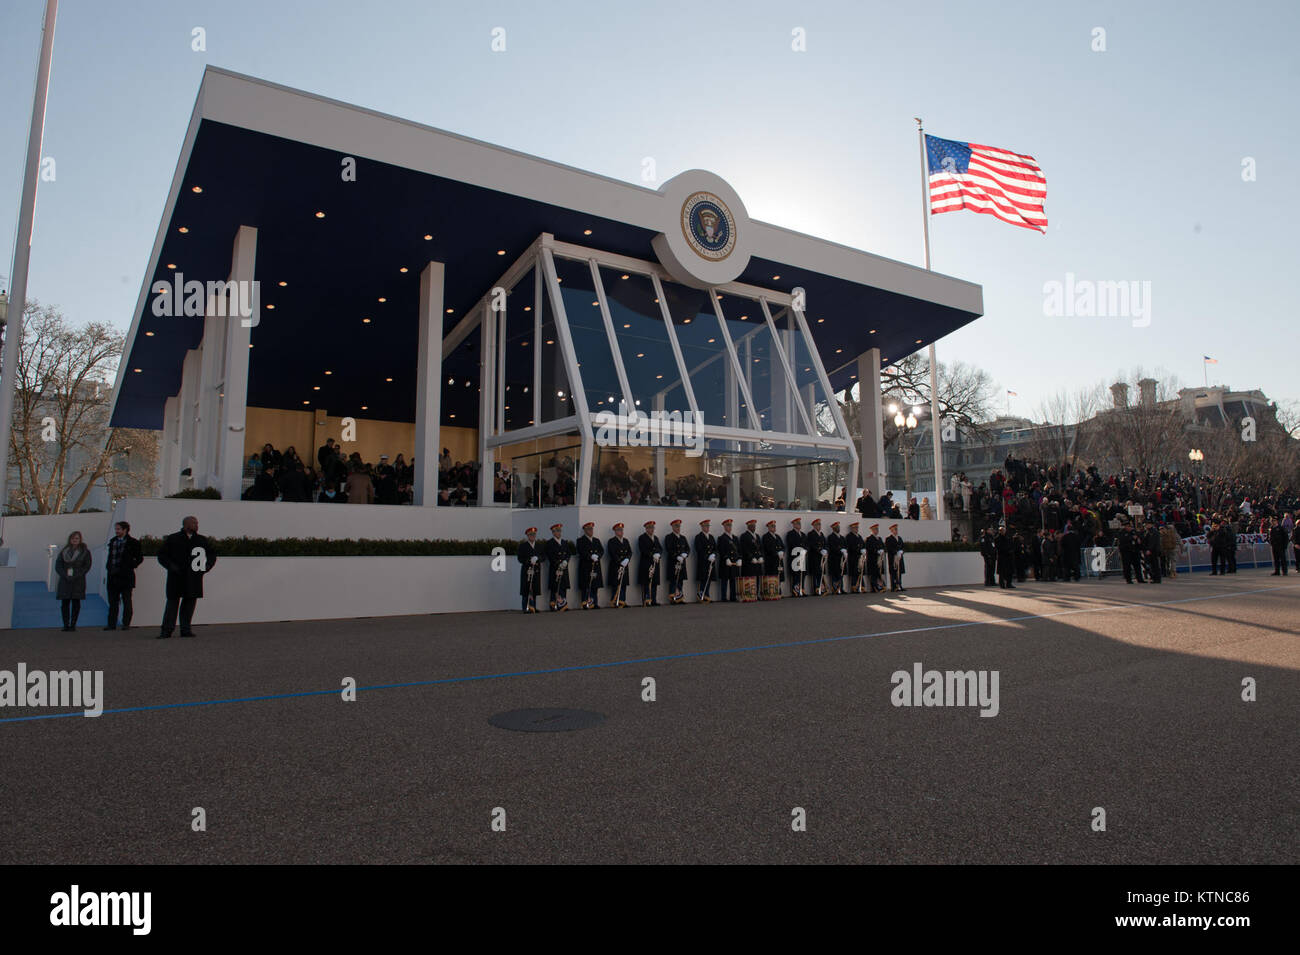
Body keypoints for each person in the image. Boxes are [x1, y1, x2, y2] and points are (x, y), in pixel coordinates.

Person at [157, 516, 217, 638]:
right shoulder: (173, 538)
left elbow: (211, 554)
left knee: (189, 604)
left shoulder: (201, 540)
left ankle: (185, 629)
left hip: (193, 577)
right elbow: (162, 555)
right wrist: (171, 566)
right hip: (176, 577)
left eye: (197, 523)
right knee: (172, 604)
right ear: (186, 524)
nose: (196, 525)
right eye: (194, 523)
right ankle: (166, 630)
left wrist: (207, 566)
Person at [103, 521, 143, 631]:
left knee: (127, 601)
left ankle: (126, 623)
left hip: (126, 576)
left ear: (125, 530)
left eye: (119, 529)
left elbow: (139, 557)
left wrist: (131, 565)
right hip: (113, 575)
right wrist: (109, 568)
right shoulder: (113, 542)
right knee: (113, 602)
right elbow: (110, 558)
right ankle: (111, 624)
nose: (117, 531)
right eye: (116, 529)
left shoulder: (133, 543)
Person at [54, 531, 92, 632]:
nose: (75, 540)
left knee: (76, 603)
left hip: (78, 581)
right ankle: (65, 624)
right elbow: (58, 565)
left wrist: (76, 575)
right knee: (65, 603)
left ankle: (73, 624)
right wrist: (65, 575)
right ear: (70, 540)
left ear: (80, 540)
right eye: (73, 538)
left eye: (77, 538)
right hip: (65, 581)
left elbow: (87, 566)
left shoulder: (85, 552)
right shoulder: (64, 551)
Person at [544, 523, 573, 611]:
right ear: (553, 533)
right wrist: (558, 563)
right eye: (557, 531)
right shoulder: (550, 543)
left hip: (564, 568)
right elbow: (550, 556)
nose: (559, 533)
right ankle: (554, 605)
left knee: (563, 586)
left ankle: (563, 604)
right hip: (555, 569)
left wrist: (566, 561)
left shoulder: (564, 542)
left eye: (560, 531)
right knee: (555, 587)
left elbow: (568, 553)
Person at [576, 522, 604, 609]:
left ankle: (594, 603)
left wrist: (598, 556)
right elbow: (581, 551)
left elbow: (601, 550)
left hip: (595, 566)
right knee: (586, 585)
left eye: (591, 529)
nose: (591, 531)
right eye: (588, 529)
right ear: (584, 530)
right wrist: (590, 556)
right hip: (586, 567)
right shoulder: (580, 540)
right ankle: (586, 603)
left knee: (595, 585)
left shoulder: (596, 540)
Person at [665, 518, 691, 604]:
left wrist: (685, 554)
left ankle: (679, 597)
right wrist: (676, 556)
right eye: (676, 526)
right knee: (673, 581)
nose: (678, 528)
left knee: (680, 580)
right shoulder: (669, 537)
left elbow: (688, 548)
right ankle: (673, 598)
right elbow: (669, 549)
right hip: (674, 563)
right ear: (672, 527)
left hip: (682, 563)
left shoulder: (683, 538)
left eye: (679, 526)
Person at [607, 523, 632, 608]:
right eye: (618, 530)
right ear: (615, 531)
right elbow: (612, 553)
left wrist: (627, 559)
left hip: (625, 565)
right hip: (616, 566)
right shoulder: (612, 541)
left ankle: (622, 601)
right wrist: (620, 561)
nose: (621, 532)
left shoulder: (625, 541)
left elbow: (630, 552)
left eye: (621, 530)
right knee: (616, 584)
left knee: (623, 584)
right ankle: (615, 601)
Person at [517, 526, 542, 612]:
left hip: (536, 571)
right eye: (531, 534)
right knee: (526, 590)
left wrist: (538, 559)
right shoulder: (523, 546)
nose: (532, 536)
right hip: (527, 571)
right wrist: (529, 561)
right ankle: (525, 607)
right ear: (527, 536)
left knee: (534, 589)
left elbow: (543, 557)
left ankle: (533, 607)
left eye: (534, 534)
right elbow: (520, 559)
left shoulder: (539, 546)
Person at [638, 520, 663, 607]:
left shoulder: (655, 538)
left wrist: (658, 554)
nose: (652, 530)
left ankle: (653, 600)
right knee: (646, 582)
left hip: (655, 563)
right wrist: (652, 554)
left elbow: (660, 548)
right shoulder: (642, 538)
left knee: (654, 583)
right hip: (646, 564)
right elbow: (643, 549)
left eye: (653, 528)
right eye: (650, 528)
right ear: (646, 529)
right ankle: (647, 600)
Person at [694, 519, 717, 602]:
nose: (707, 527)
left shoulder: (711, 537)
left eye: (708, 526)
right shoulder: (698, 537)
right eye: (705, 526)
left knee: (709, 579)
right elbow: (699, 549)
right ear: (702, 527)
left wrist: (713, 554)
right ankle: (701, 596)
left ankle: (707, 596)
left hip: (710, 562)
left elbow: (715, 548)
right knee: (703, 580)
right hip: (703, 562)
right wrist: (708, 556)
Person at [717, 518, 740, 602]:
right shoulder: (721, 538)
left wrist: (739, 558)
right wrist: (726, 558)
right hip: (726, 562)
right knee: (724, 580)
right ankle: (723, 597)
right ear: (724, 527)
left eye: (730, 525)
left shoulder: (735, 538)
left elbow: (738, 550)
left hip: (734, 562)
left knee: (733, 580)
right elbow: (721, 550)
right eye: (728, 525)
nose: (729, 527)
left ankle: (733, 596)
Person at [785, 518, 806, 597]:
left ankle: (801, 590)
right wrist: (799, 550)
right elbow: (791, 544)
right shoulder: (790, 534)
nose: (799, 524)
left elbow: (807, 544)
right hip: (795, 557)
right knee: (796, 574)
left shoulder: (803, 534)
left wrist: (805, 550)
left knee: (802, 574)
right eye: (797, 523)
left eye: (800, 523)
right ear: (793, 524)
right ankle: (795, 591)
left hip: (802, 556)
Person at [806, 517, 826, 595]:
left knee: (820, 572)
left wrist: (825, 550)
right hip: (814, 557)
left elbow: (825, 543)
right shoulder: (811, 534)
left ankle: (821, 588)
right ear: (814, 526)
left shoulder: (821, 534)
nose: (819, 526)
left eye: (820, 524)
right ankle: (816, 589)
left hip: (821, 557)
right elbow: (811, 545)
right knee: (815, 573)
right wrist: (819, 550)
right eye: (817, 524)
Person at [826, 520, 846, 595]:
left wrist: (844, 551)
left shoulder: (842, 537)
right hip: (834, 559)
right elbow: (832, 547)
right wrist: (840, 550)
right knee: (835, 574)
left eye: (838, 526)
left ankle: (841, 588)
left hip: (841, 559)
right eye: (837, 527)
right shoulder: (831, 537)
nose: (838, 528)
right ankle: (835, 588)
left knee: (841, 574)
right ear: (833, 528)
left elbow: (845, 546)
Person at [885, 523, 906, 592]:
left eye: (896, 529)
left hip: (899, 558)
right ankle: (894, 586)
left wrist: (901, 551)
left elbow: (903, 546)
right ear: (891, 530)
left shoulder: (899, 538)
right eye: (895, 529)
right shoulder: (888, 539)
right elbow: (889, 548)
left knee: (899, 572)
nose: (896, 531)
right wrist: (896, 552)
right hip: (893, 558)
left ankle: (899, 585)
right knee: (893, 572)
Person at [846, 521, 865, 593]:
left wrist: (863, 550)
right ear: (852, 528)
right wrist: (859, 550)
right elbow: (851, 547)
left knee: (860, 572)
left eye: (857, 527)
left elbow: (863, 544)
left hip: (860, 558)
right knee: (854, 573)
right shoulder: (849, 536)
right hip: (853, 557)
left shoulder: (859, 536)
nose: (857, 529)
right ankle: (855, 587)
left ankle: (861, 586)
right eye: (855, 528)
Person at [865, 523, 885, 592]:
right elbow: (869, 548)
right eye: (875, 529)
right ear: (872, 530)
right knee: (873, 574)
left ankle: (880, 586)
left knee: (878, 573)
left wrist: (882, 550)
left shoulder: (879, 539)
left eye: (877, 529)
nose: (877, 530)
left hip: (879, 559)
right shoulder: (869, 539)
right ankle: (874, 588)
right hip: (872, 560)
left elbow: (883, 546)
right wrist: (876, 551)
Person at [995, 525, 1016, 589]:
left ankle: (1009, 583)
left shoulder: (1008, 537)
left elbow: (1012, 544)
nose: (1003, 531)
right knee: (1002, 572)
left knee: (1009, 571)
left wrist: (1011, 550)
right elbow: (999, 547)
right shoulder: (997, 538)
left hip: (1009, 557)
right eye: (1001, 530)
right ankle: (1002, 584)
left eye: (1004, 530)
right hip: (1002, 557)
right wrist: (1007, 550)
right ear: (999, 531)